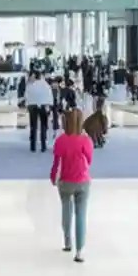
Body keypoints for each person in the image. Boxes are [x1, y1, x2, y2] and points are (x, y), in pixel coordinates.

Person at [50, 109, 93, 263]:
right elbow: (89, 160)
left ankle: (67, 242)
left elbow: (56, 163)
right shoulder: (86, 140)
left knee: (66, 210)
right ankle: (79, 251)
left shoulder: (60, 140)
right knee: (81, 215)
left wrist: (53, 177)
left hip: (65, 181)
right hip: (83, 181)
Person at [25, 72, 53, 153]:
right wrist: (49, 106)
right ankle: (43, 145)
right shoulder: (45, 85)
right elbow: (49, 95)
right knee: (43, 126)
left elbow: (26, 96)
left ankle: (33, 146)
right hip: (43, 106)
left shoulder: (30, 85)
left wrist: (27, 105)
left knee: (33, 126)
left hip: (32, 106)